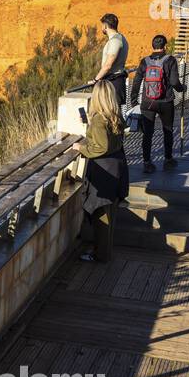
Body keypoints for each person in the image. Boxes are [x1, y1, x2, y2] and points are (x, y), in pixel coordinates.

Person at [71, 79, 128, 263]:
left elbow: (100, 147)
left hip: (103, 172)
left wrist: (81, 148)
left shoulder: (98, 119)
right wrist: (88, 124)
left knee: (101, 216)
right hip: (117, 167)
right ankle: (105, 252)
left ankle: (101, 256)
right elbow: (108, 141)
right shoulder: (115, 115)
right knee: (110, 214)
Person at [131, 35, 186, 173]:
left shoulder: (144, 61)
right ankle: (168, 160)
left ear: (152, 46)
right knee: (167, 130)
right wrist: (182, 88)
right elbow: (174, 82)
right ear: (165, 46)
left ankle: (147, 162)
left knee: (147, 133)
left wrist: (134, 101)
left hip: (148, 102)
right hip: (166, 101)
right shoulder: (170, 60)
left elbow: (136, 81)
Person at [91, 13, 130, 106]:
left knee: (112, 114)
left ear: (105, 26)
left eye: (102, 25)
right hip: (115, 81)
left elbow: (108, 65)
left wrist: (96, 80)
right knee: (113, 114)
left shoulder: (115, 41)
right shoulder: (121, 38)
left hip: (113, 82)